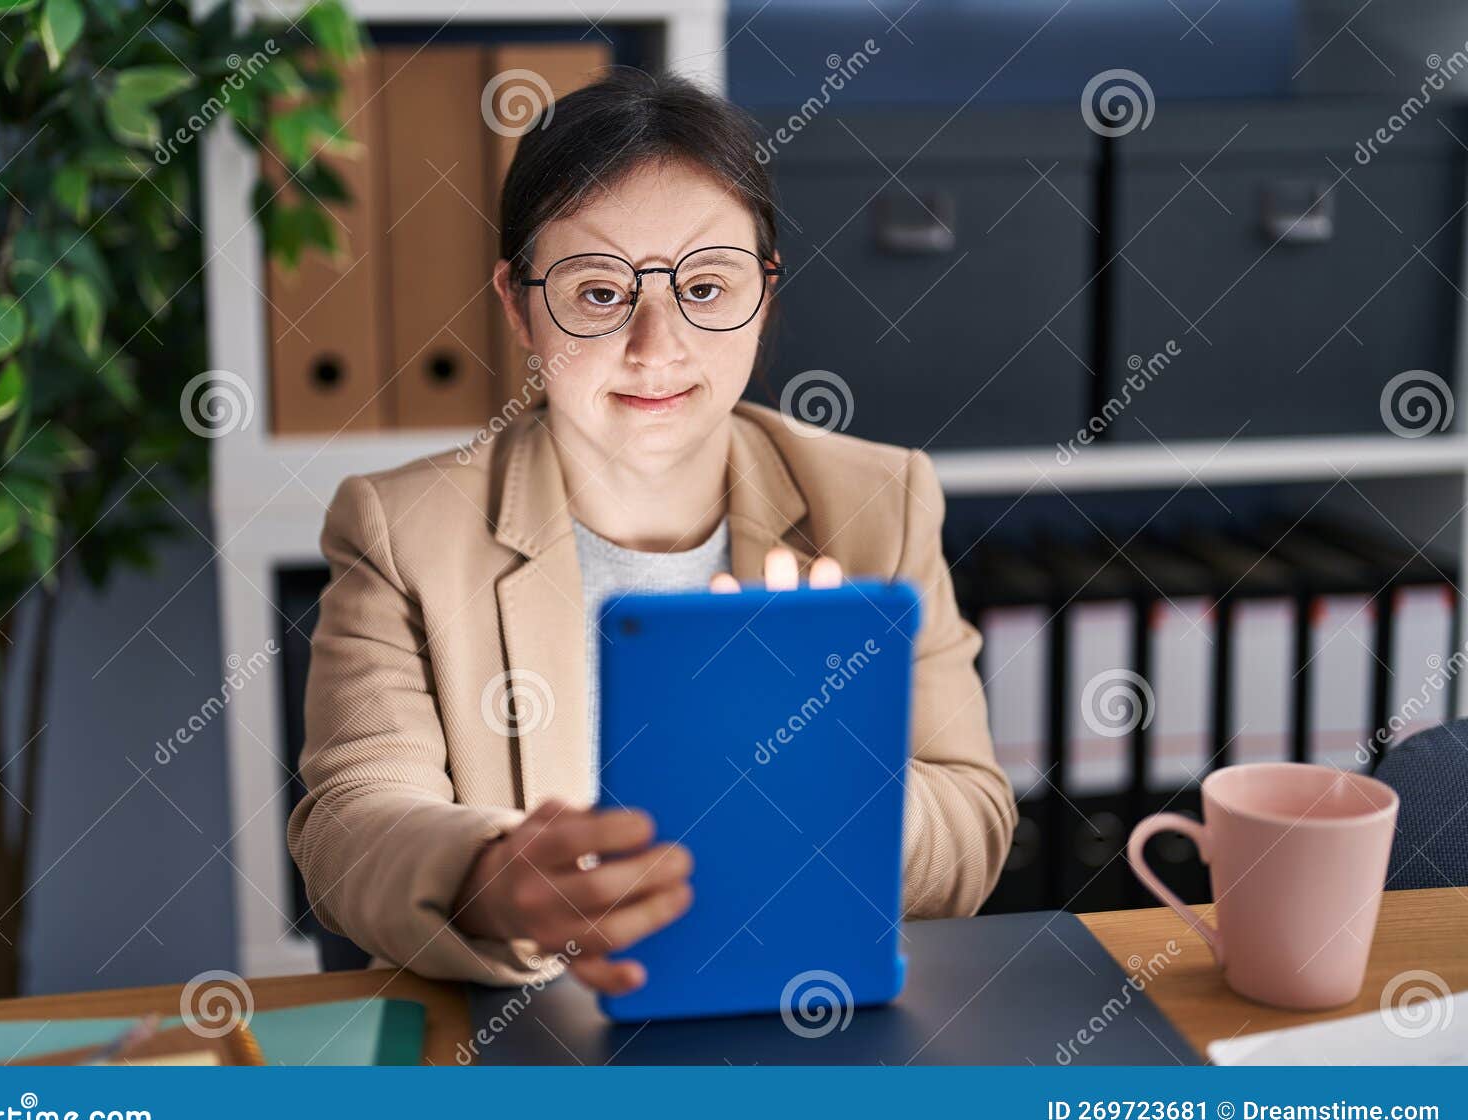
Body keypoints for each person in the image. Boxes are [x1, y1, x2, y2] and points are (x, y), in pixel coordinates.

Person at [288, 67, 1016, 997]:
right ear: (517, 305)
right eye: (598, 294)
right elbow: (348, 825)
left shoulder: (880, 499)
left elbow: (975, 826)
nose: (657, 344)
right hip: (544, 1036)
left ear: (767, 291)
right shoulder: (403, 531)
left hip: (797, 1014)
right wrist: (492, 878)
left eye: (708, 287)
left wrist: (842, 787)